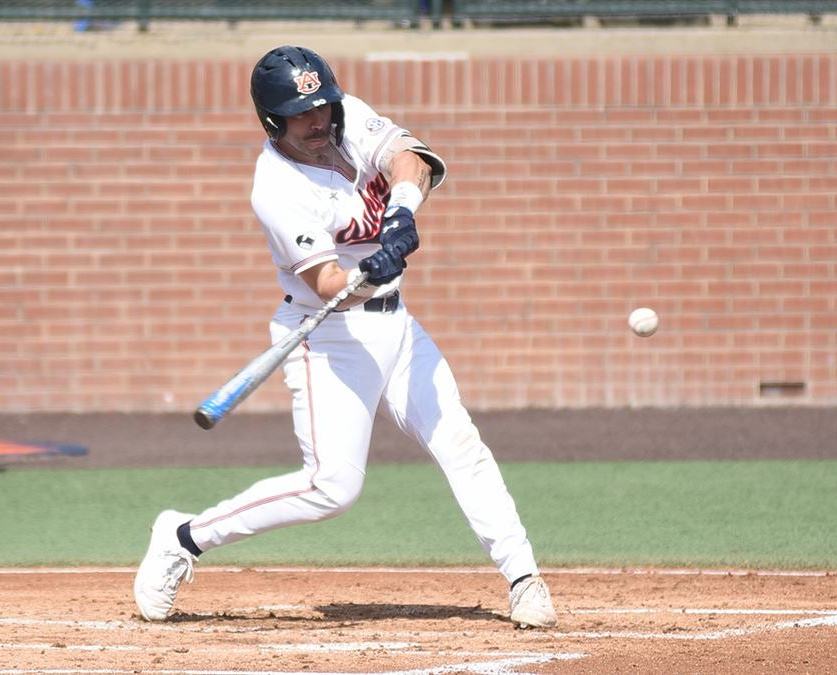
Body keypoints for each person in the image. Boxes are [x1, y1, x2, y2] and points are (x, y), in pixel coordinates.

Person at [133, 45, 557, 629]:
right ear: (271, 120)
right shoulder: (276, 188)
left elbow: (414, 160)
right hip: (326, 336)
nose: (317, 121)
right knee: (332, 488)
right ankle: (184, 536)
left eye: (321, 107)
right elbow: (329, 280)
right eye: (300, 113)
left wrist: (403, 212)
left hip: (398, 327)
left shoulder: (345, 116)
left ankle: (523, 577)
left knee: (459, 442)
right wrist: (364, 273)